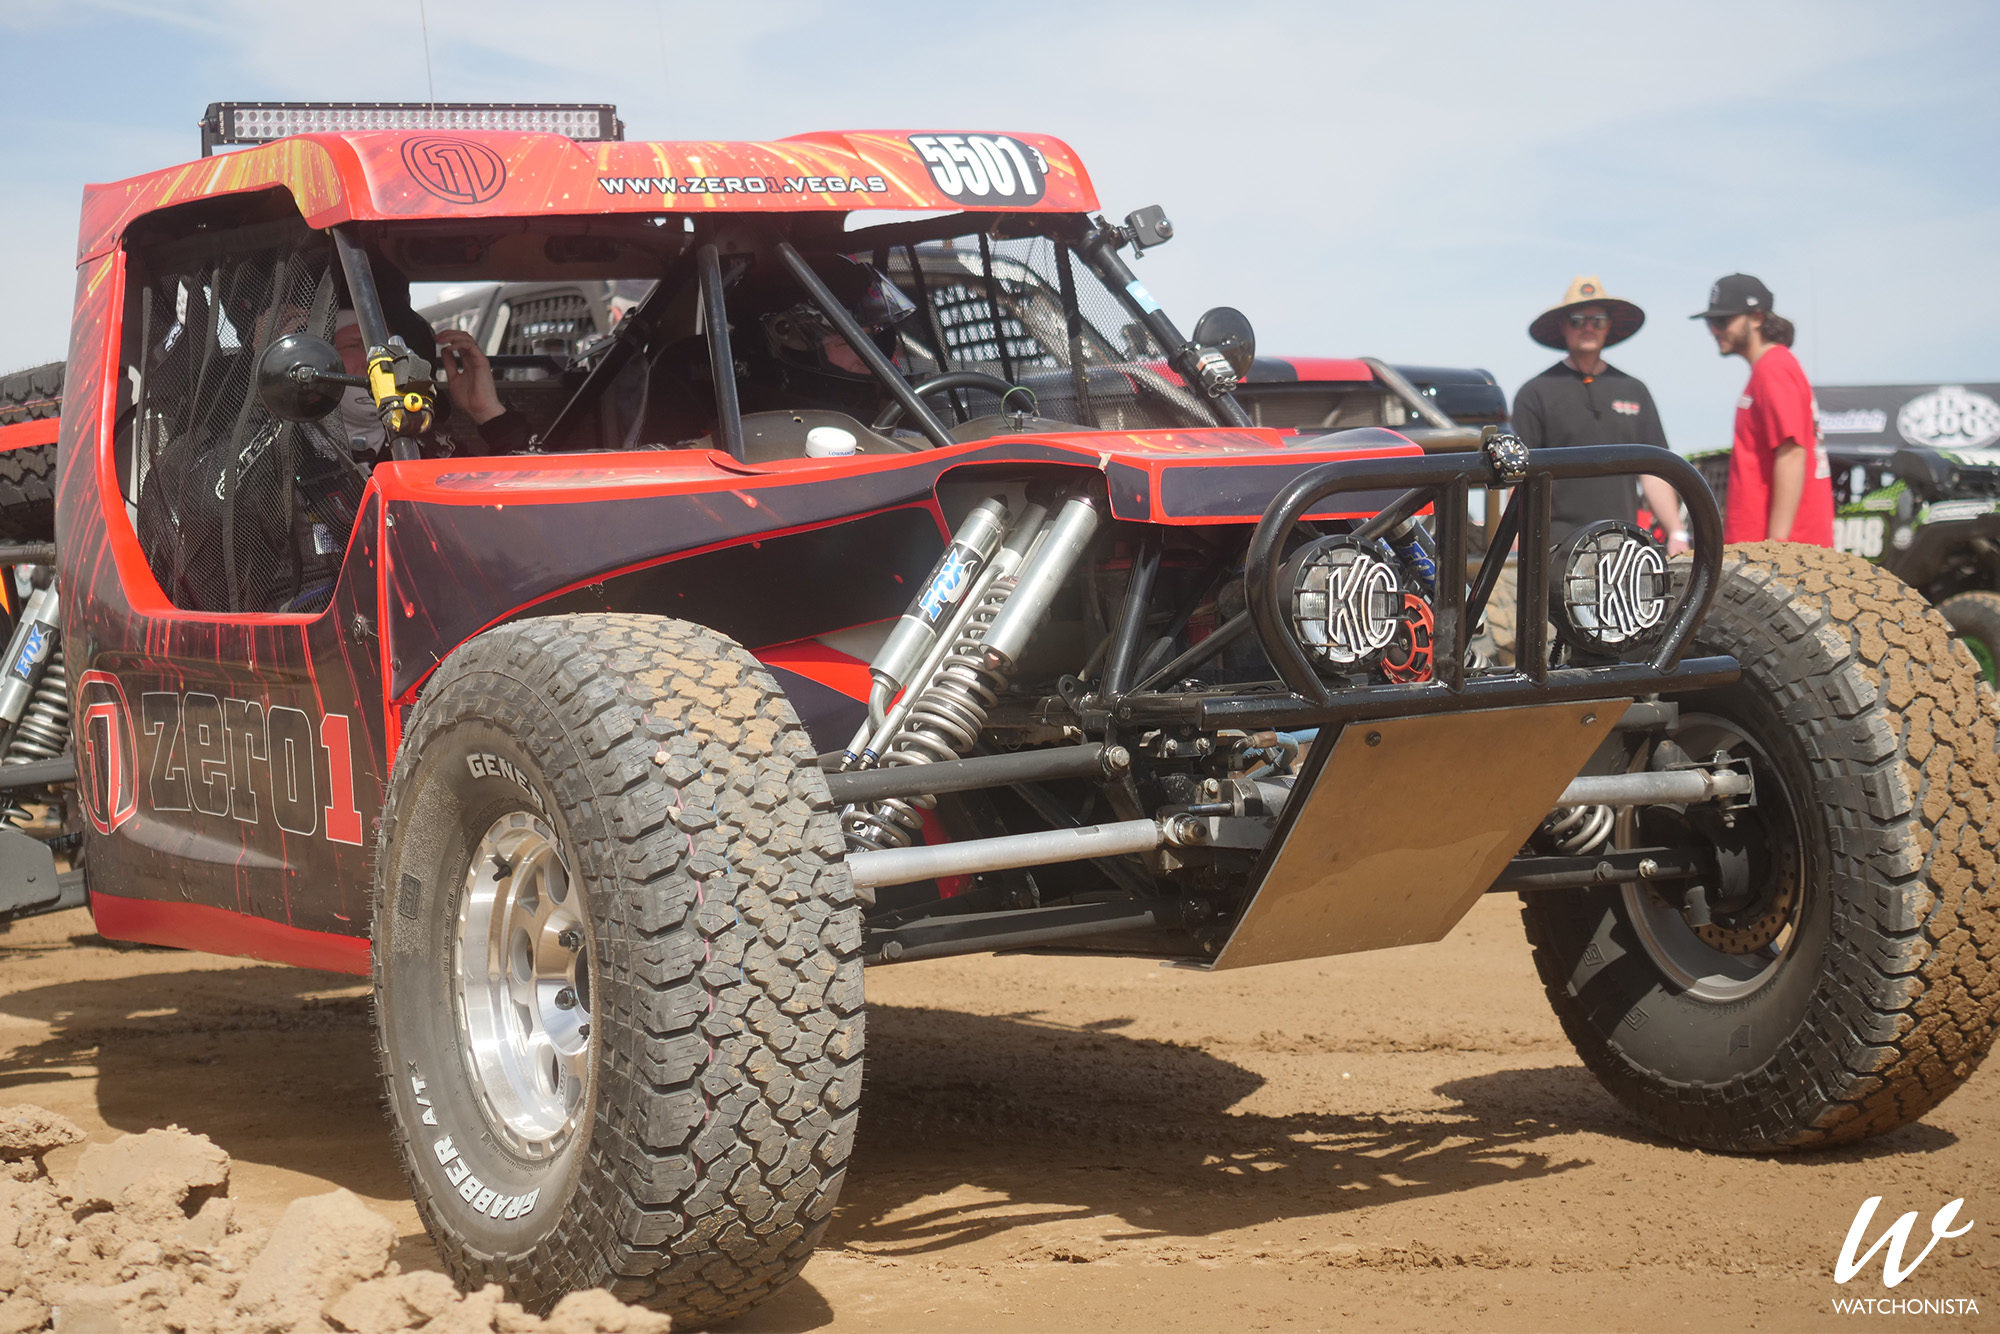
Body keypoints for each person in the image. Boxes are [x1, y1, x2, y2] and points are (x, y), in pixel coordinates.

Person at [1511, 276, 1687, 552]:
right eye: (1578, 320)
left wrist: (1677, 533)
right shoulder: (1535, 392)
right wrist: (1515, 539)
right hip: (1558, 545)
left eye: (1598, 321)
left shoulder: (1634, 390)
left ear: (1609, 326)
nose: (1588, 327)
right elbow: (1519, 474)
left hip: (1624, 543)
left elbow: (1654, 471)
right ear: (1563, 326)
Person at [1693, 274, 1833, 546]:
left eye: (1722, 321)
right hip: (1767, 547)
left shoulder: (1774, 368)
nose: (1714, 331)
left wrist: (1777, 545)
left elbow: (1792, 453)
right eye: (1710, 323)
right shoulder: (1769, 368)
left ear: (1756, 318)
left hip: (1779, 550)